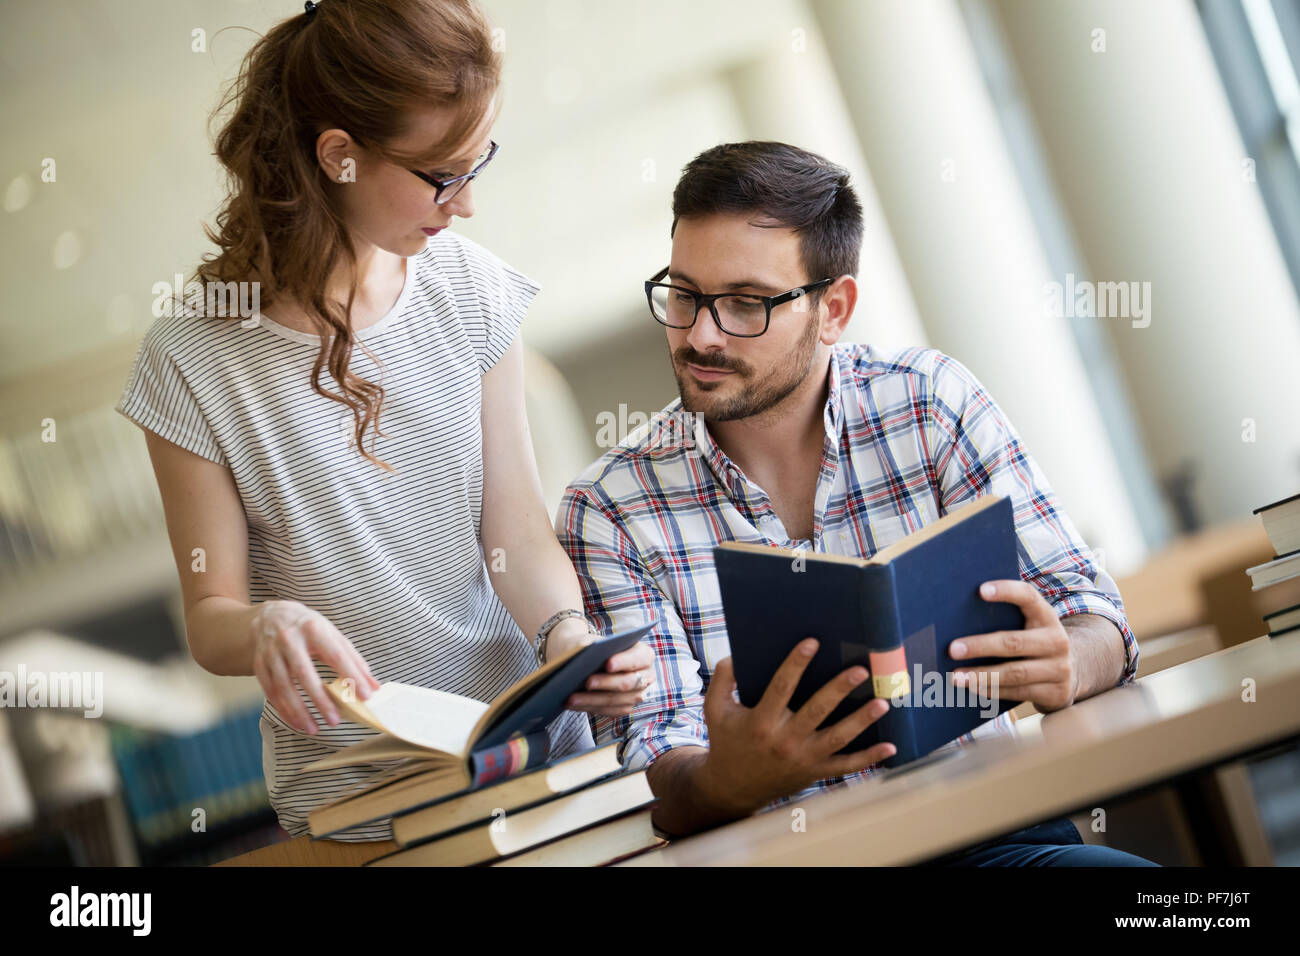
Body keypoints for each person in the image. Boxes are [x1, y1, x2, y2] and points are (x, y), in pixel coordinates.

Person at [114, 0, 651, 841]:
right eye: (443, 174)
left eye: (480, 165)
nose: (465, 205)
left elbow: (510, 521)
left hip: (534, 751)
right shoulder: (191, 360)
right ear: (340, 157)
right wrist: (263, 623)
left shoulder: (471, 289)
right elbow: (210, 614)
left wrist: (567, 635)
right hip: (362, 807)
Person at [556, 141, 1157, 865]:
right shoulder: (610, 509)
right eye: (683, 295)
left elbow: (1098, 616)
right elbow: (653, 769)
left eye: (745, 304)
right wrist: (725, 781)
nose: (700, 335)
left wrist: (1069, 662)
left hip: (995, 844)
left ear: (833, 308)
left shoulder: (929, 403)